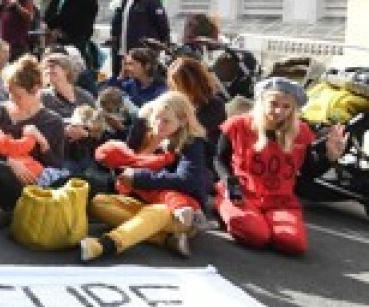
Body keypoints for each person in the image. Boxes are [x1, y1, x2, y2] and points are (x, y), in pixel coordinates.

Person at [215, 78, 345, 256]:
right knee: (256, 236)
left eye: (286, 107)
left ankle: (261, 222)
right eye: (273, 104)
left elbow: (307, 173)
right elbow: (219, 159)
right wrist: (229, 182)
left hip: (281, 200)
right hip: (242, 194)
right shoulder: (238, 125)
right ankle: (226, 209)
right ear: (261, 102)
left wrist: (330, 157)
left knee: (293, 245)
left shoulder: (302, 132)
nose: (279, 111)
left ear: (293, 109)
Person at [81, 92, 210, 261]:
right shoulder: (146, 133)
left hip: (180, 210)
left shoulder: (192, 143)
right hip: (145, 202)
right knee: (98, 203)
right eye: (157, 118)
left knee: (155, 212)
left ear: (183, 121)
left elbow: (187, 180)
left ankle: (106, 245)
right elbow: (123, 159)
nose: (159, 124)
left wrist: (138, 178)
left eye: (166, 121)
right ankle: (164, 239)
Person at [0, 55, 66, 212]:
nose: (12, 99)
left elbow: (56, 166)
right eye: (9, 93)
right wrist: (9, 161)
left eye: (18, 96)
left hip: (32, 182)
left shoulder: (53, 122)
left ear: (35, 90)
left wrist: (43, 143)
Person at [110, 0, 170, 77]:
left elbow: (163, 25)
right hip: (123, 52)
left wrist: (161, 47)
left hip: (142, 54)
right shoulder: (126, 0)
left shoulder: (151, 0)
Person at [44, 0, 100, 74]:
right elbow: (52, 7)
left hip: (74, 38)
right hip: (58, 36)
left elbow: (77, 15)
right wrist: (51, 25)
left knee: (74, 70)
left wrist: (60, 27)